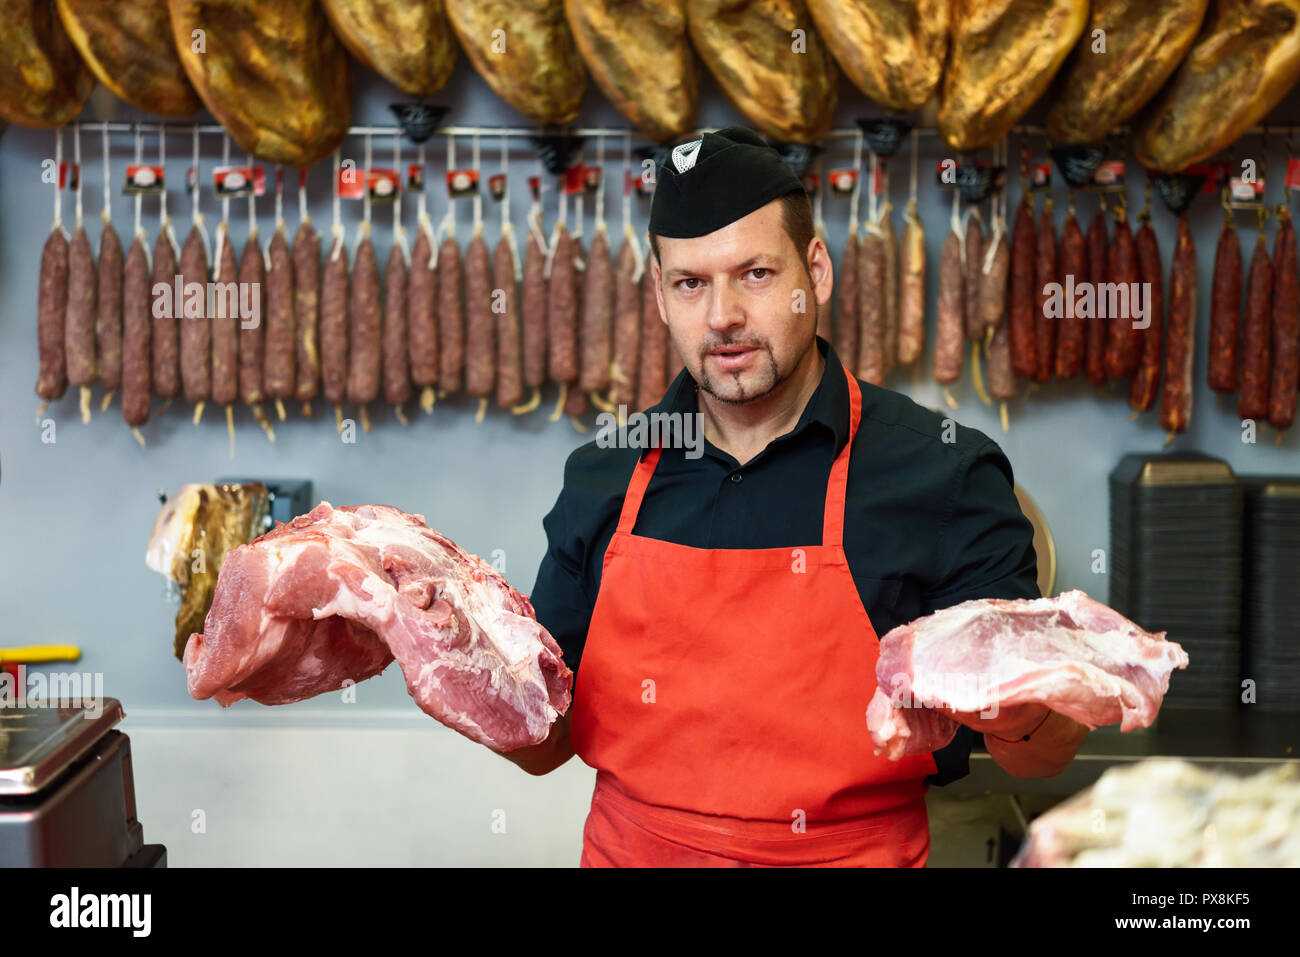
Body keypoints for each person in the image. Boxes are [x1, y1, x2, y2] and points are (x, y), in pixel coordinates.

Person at [504, 126, 1088, 866]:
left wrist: (1022, 700)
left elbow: (1041, 757)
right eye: (691, 282)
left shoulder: (945, 474)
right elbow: (541, 742)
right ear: (658, 294)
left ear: (815, 270)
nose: (721, 317)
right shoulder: (604, 475)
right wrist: (434, 651)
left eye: (753, 273)